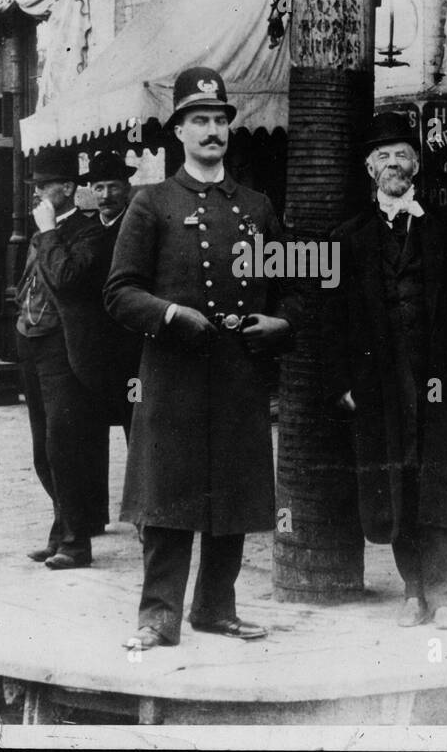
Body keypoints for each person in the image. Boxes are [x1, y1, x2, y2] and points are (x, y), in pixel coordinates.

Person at [104, 66, 300, 651]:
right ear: (180, 132)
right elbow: (119, 292)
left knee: (233, 496)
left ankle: (216, 608)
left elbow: (291, 284)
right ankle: (158, 615)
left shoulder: (258, 206)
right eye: (199, 121)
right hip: (173, 377)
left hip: (239, 376)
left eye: (219, 120)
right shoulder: (152, 204)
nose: (212, 131)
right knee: (167, 498)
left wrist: (282, 322)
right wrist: (170, 315)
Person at [328, 113, 447, 630]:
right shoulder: (348, 238)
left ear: (417, 163)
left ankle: (446, 594)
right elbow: (330, 318)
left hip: (443, 374)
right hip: (381, 380)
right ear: (368, 168)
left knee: (442, 478)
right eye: (382, 156)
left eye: (402, 154)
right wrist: (340, 383)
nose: (393, 164)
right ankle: (412, 588)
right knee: (397, 479)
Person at [34, 150, 145, 543]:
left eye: (114, 186)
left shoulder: (134, 224)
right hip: (90, 345)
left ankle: (148, 520)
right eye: (98, 186)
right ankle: (92, 517)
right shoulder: (89, 226)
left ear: (127, 188)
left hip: (128, 343)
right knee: (87, 431)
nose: (106, 194)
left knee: (139, 433)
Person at [15, 149, 96, 570]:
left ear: (67, 188)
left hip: (64, 348)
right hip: (32, 342)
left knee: (64, 445)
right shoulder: (40, 230)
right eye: (35, 188)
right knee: (42, 449)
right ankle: (60, 531)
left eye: (43, 187)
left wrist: (48, 231)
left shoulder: (88, 231)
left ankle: (77, 543)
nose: (37, 195)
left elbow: (66, 279)